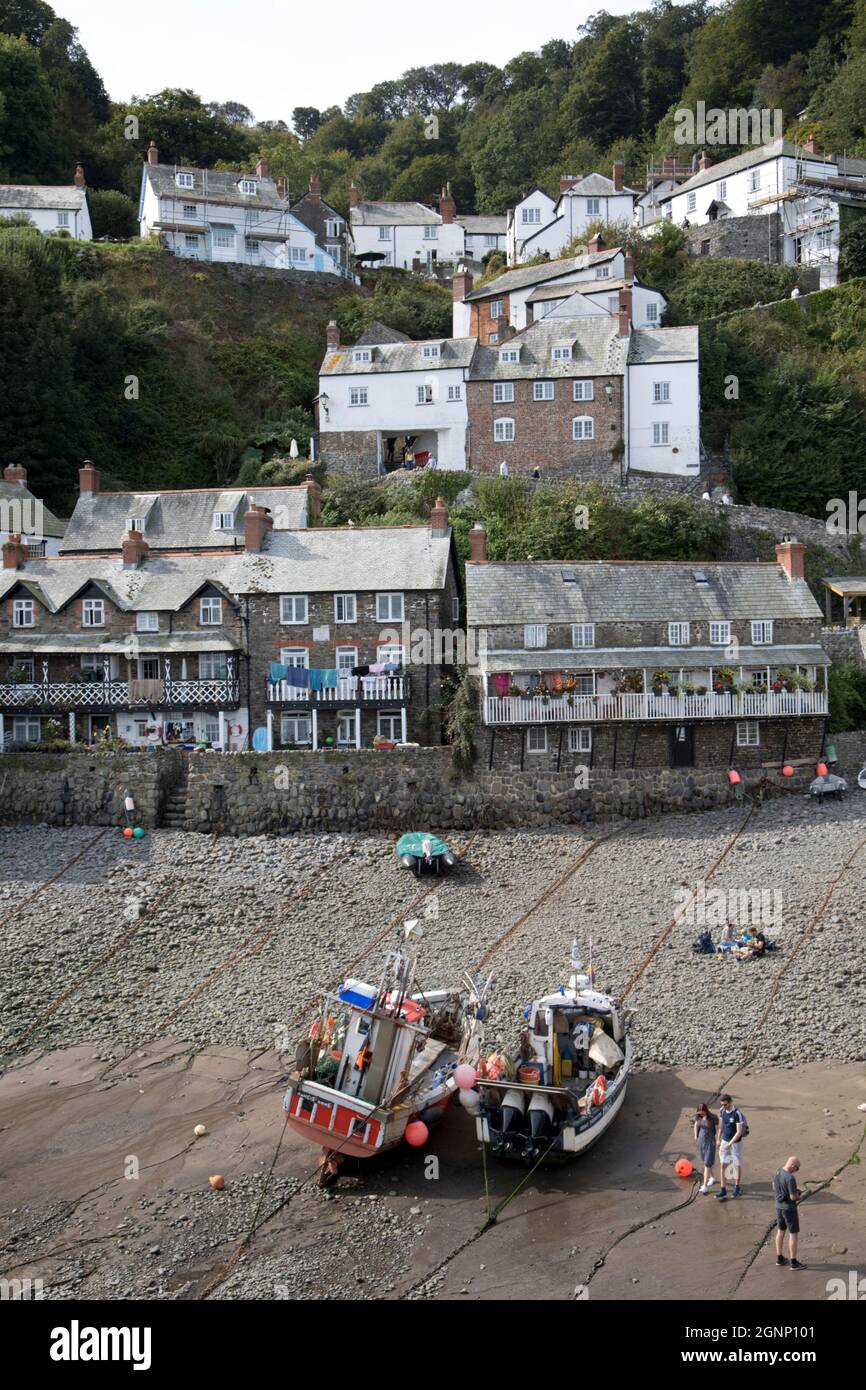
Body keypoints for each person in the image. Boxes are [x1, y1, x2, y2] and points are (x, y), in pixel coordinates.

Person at [773, 1156, 805, 1268]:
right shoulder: (790, 1178)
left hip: (778, 1207)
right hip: (789, 1210)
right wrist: (799, 1196)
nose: (796, 1171)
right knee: (793, 1234)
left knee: (780, 1231)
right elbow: (792, 1197)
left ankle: (779, 1258)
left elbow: (775, 1187)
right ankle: (793, 1262)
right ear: (792, 1166)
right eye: (797, 1168)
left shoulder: (777, 1171)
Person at [715, 1094, 746, 1199]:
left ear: (730, 1102)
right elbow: (720, 1126)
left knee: (736, 1164)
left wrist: (730, 1143)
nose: (724, 1106)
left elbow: (739, 1131)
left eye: (725, 1104)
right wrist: (718, 1139)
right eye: (722, 1104)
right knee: (723, 1165)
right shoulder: (722, 1111)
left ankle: (737, 1187)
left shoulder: (737, 1113)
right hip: (724, 1141)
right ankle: (722, 1189)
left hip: (735, 1143)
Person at [693, 1103, 718, 1194]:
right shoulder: (698, 1117)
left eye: (702, 1112)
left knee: (707, 1164)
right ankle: (712, 1178)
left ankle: (705, 1186)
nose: (701, 1114)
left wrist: (718, 1139)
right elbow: (696, 1125)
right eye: (699, 1112)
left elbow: (718, 1128)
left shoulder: (713, 1117)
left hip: (710, 1142)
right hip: (701, 1141)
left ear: (706, 1110)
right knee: (706, 1162)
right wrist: (696, 1136)